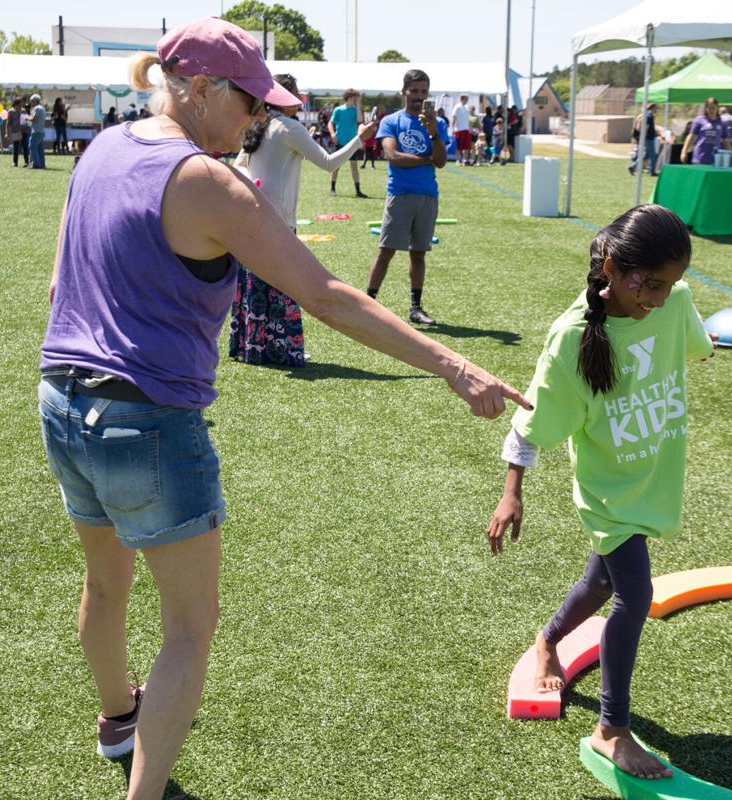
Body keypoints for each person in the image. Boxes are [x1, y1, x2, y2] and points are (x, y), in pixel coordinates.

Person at [40, 18, 528, 800]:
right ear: (198, 90)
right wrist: (452, 364)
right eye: (247, 103)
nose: (257, 120)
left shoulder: (103, 146)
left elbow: (62, 280)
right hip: (149, 422)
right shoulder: (206, 180)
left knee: (105, 588)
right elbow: (326, 296)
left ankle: (116, 723)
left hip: (62, 402)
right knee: (190, 628)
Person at [487, 203, 715, 780]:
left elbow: (693, 345)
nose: (660, 298)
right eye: (650, 284)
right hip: (607, 492)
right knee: (633, 596)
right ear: (611, 268)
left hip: (654, 480)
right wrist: (512, 492)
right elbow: (529, 424)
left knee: (601, 580)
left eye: (671, 284)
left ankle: (547, 640)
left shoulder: (675, 304)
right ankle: (612, 729)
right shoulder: (571, 341)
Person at [231, 73, 377, 367]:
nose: (299, 99)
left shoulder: (258, 124)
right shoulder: (290, 128)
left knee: (256, 285)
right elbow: (329, 163)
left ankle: (251, 345)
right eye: (296, 93)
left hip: (253, 216)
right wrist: (359, 139)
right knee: (286, 284)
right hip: (279, 222)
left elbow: (238, 166)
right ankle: (283, 349)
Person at [365, 68, 450, 326]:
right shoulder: (391, 121)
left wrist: (433, 132)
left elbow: (442, 161)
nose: (418, 96)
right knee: (386, 251)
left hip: (428, 196)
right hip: (399, 195)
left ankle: (415, 308)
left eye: (423, 92)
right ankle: (368, 303)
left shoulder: (439, 124)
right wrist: (427, 159)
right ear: (403, 91)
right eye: (414, 91)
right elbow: (393, 157)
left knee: (418, 254)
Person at [328, 88, 367, 197]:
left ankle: (358, 191)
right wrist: (332, 134)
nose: (356, 98)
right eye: (355, 96)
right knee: (336, 166)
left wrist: (358, 104)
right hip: (340, 142)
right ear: (349, 97)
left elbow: (359, 120)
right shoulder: (338, 110)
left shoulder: (356, 110)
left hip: (352, 143)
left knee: (354, 167)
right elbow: (330, 124)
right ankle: (332, 189)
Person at [681, 97, 729, 166]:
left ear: (717, 108)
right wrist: (684, 151)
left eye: (713, 108)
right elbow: (691, 137)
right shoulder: (699, 120)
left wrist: (729, 154)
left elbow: (726, 140)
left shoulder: (722, 123)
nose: (711, 110)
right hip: (699, 158)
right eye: (709, 108)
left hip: (716, 159)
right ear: (706, 109)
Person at [629, 103, 659, 177]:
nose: (657, 110)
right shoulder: (649, 116)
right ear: (652, 108)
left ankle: (632, 167)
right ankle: (652, 171)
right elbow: (646, 127)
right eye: (656, 108)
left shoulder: (648, 115)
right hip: (649, 139)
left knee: (646, 156)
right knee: (653, 155)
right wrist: (644, 137)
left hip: (648, 138)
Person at [452, 95, 473, 165]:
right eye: (466, 99)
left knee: (466, 146)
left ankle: (464, 160)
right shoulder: (457, 107)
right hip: (458, 130)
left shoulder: (467, 107)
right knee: (458, 147)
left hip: (466, 130)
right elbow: (453, 117)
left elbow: (468, 119)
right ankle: (458, 160)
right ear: (462, 99)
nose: (467, 100)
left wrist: (470, 127)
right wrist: (452, 128)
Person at [28, 93, 48, 169]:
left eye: (31, 101)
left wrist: (27, 118)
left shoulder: (37, 108)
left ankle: (36, 164)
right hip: (41, 131)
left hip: (36, 131)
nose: (30, 103)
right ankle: (42, 164)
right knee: (40, 149)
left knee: (32, 147)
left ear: (35, 101)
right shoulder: (42, 108)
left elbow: (35, 119)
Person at [8, 99, 26, 166]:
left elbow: (24, 121)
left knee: (25, 147)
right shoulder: (11, 111)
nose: (22, 104)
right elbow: (9, 122)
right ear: (17, 103)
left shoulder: (23, 111)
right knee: (15, 147)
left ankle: (26, 162)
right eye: (21, 103)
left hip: (23, 131)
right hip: (15, 131)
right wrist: (7, 132)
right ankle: (15, 162)